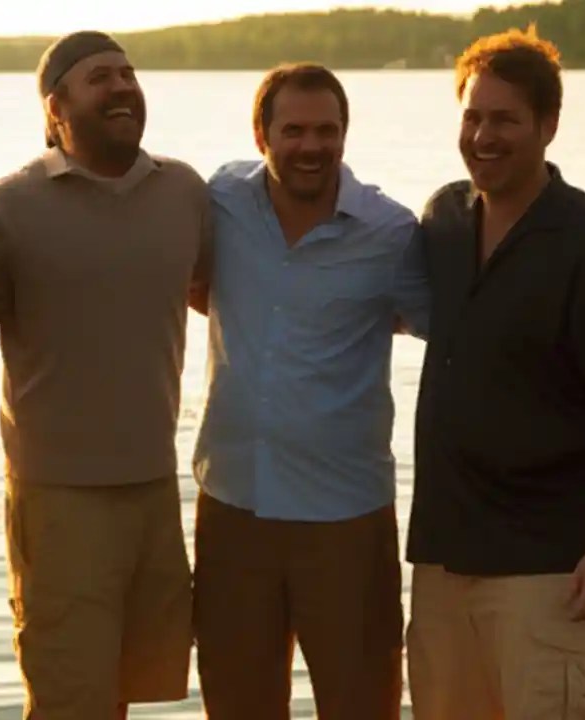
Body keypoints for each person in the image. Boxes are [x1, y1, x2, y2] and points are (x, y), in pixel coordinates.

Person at [405, 27, 585, 719]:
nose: (484, 136)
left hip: (548, 570)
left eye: (505, 119)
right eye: (473, 116)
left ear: (548, 125)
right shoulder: (445, 221)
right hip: (442, 562)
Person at [0, 31, 211, 720]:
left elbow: (210, 290)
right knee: (67, 699)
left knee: (131, 693)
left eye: (128, 74)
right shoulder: (11, 207)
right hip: (58, 501)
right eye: (100, 77)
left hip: (154, 491)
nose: (121, 87)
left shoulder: (184, 192)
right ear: (56, 107)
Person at [189, 63, 429, 720]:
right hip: (234, 510)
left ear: (345, 136)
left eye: (327, 130)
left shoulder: (391, 233)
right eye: (293, 130)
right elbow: (190, 281)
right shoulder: (220, 202)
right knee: (236, 707)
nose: (311, 146)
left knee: (362, 706)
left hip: (345, 519)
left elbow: (452, 330)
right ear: (261, 135)